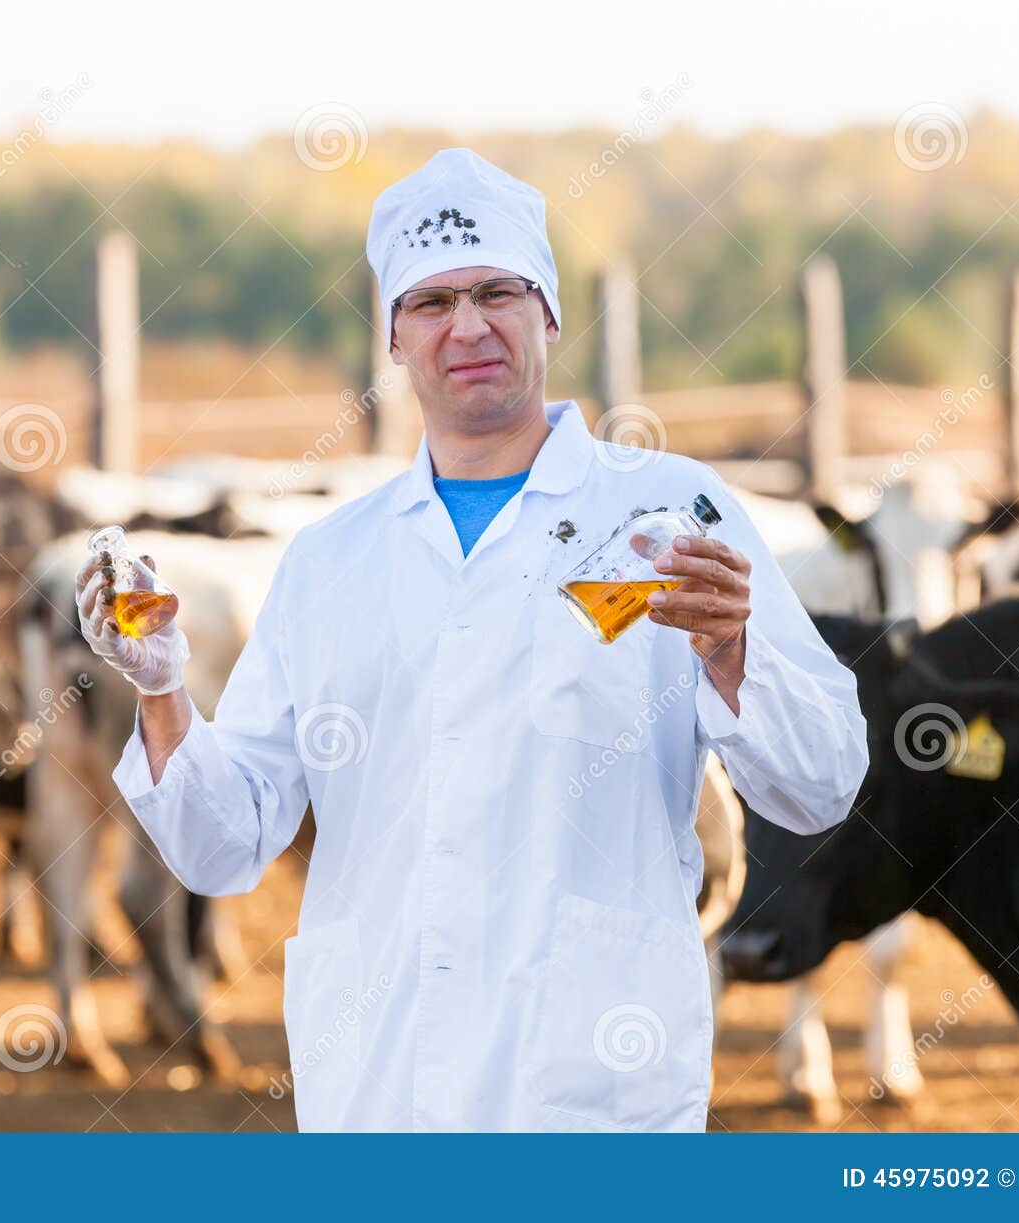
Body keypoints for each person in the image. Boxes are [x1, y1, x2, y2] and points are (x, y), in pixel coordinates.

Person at [75, 147, 867, 1132]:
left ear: (550, 314)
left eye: (498, 290)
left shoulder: (671, 513)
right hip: (377, 1087)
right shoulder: (331, 563)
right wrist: (160, 688)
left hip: (591, 1093)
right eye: (431, 302)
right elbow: (225, 844)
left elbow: (822, 782)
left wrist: (729, 654)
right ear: (395, 339)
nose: (468, 325)